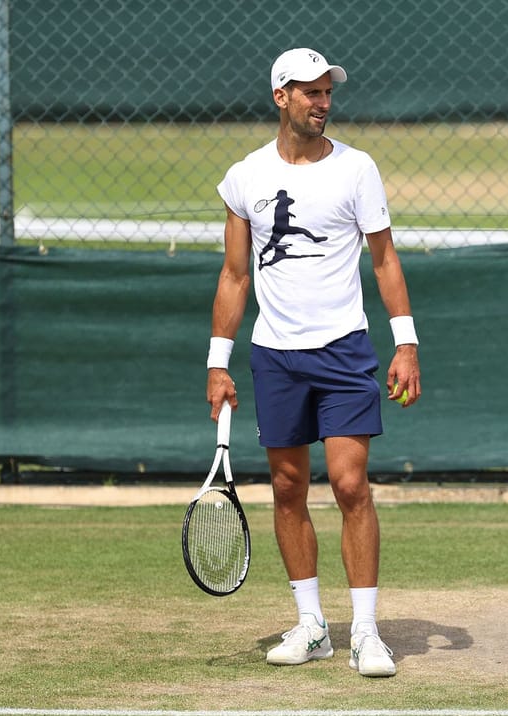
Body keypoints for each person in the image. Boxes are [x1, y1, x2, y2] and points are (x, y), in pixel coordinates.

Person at [206, 47, 421, 678]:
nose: (322, 102)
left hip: (345, 350)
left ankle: (367, 633)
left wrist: (405, 343)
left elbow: (384, 260)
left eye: (327, 92)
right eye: (309, 92)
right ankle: (312, 626)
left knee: (351, 485)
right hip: (275, 355)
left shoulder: (357, 170)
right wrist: (219, 363)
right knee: (287, 486)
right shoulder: (244, 175)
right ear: (281, 97)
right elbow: (234, 273)